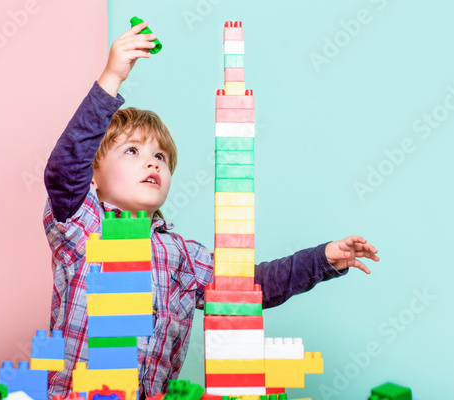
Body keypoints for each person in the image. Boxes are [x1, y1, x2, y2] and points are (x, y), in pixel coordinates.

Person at [41, 21, 380, 399]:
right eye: (132, 151)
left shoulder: (182, 256)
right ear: (94, 175)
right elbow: (64, 166)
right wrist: (111, 78)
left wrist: (323, 259)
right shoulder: (81, 224)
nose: (152, 163)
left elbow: (249, 286)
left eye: (161, 157)